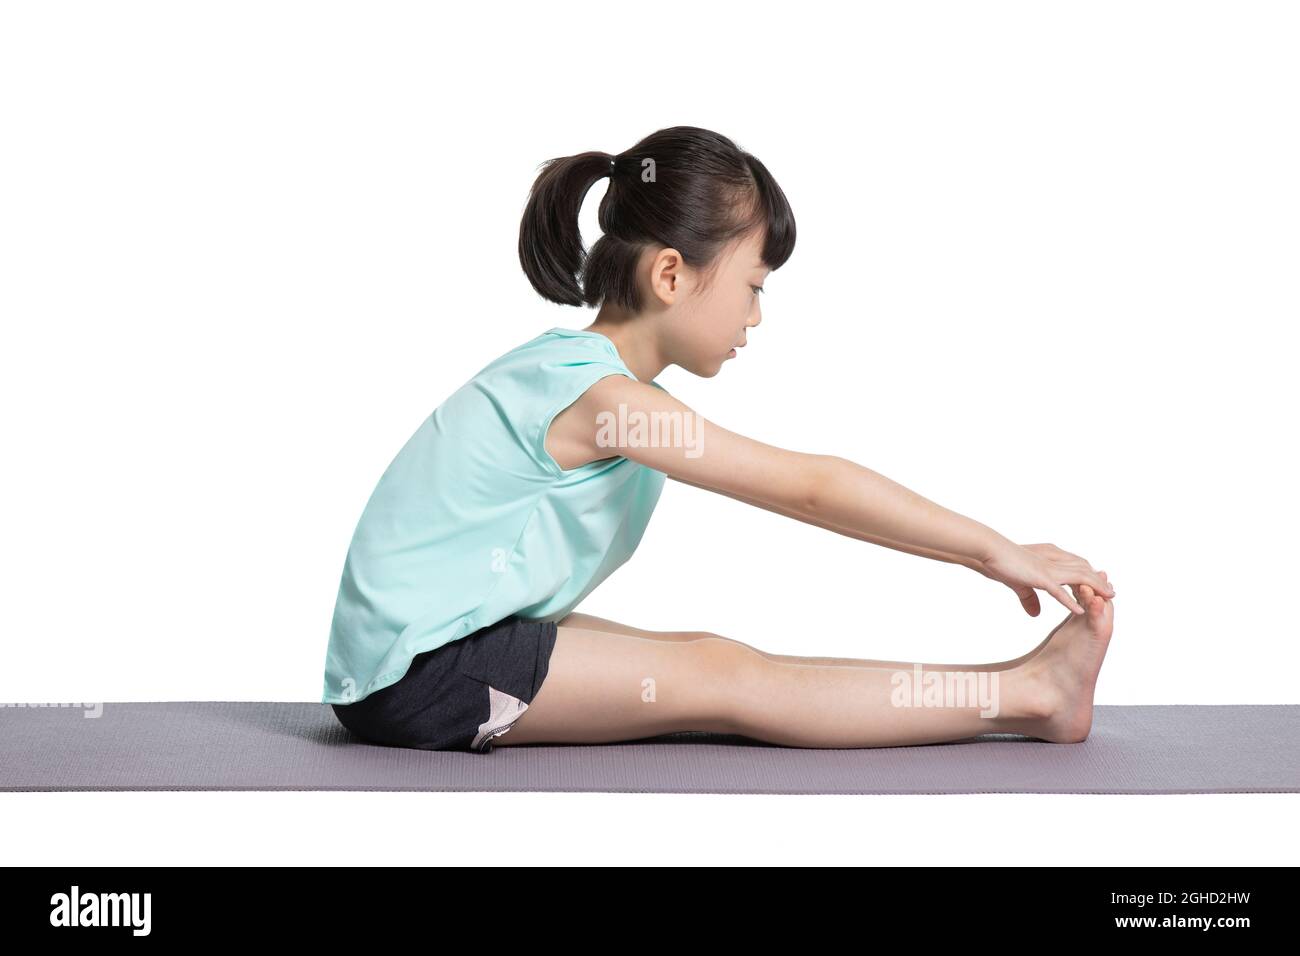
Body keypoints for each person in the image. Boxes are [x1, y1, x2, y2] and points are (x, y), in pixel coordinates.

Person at [323, 125, 1116, 754]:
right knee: (722, 676)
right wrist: (994, 550)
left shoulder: (594, 383)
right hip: (420, 677)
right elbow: (806, 487)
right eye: (753, 287)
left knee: (715, 660)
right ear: (671, 276)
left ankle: (1020, 685)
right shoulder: (604, 401)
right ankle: (1033, 696)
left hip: (441, 648)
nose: (756, 316)